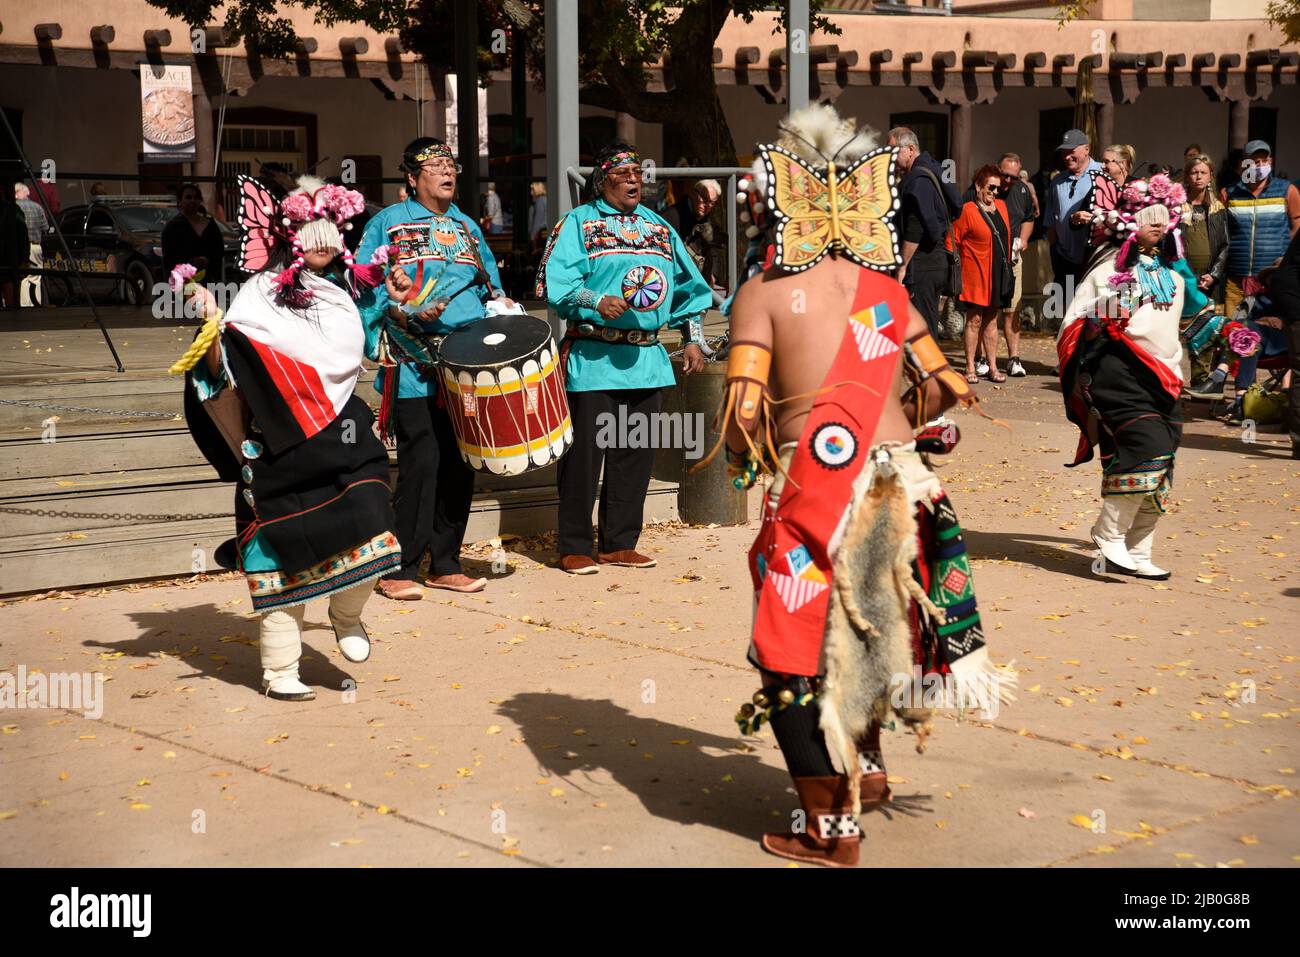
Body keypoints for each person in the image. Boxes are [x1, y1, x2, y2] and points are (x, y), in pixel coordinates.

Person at [711, 104, 998, 867]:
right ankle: (866, 768)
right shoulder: (887, 292)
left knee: (790, 649)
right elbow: (943, 388)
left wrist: (764, 452)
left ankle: (829, 830)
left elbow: (742, 418)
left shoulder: (763, 294)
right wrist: (887, 420)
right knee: (871, 626)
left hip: (822, 491)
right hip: (906, 483)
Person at [170, 175, 400, 701]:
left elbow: (362, 344)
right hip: (275, 444)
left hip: (343, 435)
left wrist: (389, 300)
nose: (321, 244)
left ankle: (346, 616)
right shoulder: (256, 295)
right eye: (309, 232)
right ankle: (280, 672)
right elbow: (226, 368)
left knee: (376, 524)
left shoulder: (344, 294)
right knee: (279, 557)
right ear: (287, 234)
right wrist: (209, 326)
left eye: (328, 233)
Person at [536, 140, 713, 575]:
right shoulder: (578, 223)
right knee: (584, 459)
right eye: (623, 173)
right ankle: (574, 544)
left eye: (638, 173)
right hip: (594, 357)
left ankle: (619, 542)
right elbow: (552, 284)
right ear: (602, 180)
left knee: (634, 454)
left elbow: (689, 288)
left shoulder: (657, 227)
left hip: (647, 358)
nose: (634, 179)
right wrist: (595, 299)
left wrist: (692, 338)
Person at [357, 137, 513, 600]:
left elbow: (491, 283)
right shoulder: (387, 223)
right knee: (421, 464)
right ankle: (399, 568)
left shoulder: (467, 226)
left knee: (460, 464)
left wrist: (499, 306)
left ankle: (446, 561)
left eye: (451, 164)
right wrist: (401, 312)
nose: (447, 171)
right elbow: (364, 285)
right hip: (412, 362)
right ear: (411, 177)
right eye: (435, 165)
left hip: (465, 365)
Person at [1057, 174, 1208, 581]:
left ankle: (1138, 548)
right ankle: (1108, 534)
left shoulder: (1172, 273)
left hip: (1164, 376)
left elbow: (1194, 317)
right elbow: (1075, 326)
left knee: (1165, 463)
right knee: (1148, 445)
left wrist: (1235, 335)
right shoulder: (1108, 269)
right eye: (1150, 216)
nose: (1159, 224)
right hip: (1115, 373)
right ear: (1129, 219)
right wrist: (1105, 316)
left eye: (1165, 217)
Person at [888, 126, 962, 338]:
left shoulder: (918, 180)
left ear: (910, 149)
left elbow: (916, 226)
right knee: (925, 325)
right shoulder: (935, 169)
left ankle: (931, 371)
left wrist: (902, 266)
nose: (890, 158)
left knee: (923, 331)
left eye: (893, 151)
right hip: (936, 262)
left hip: (922, 265)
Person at [968, 153, 1036, 378]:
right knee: (979, 316)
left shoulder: (1021, 192)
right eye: (1004, 176)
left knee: (1010, 309)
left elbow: (1029, 217)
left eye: (1013, 178)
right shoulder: (974, 195)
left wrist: (1023, 240)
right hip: (981, 263)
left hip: (1010, 260)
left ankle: (1012, 359)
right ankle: (978, 361)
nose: (1007, 182)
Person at [1220, 139, 1300, 317]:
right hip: (1236, 281)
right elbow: (1221, 234)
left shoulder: (1287, 190)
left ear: (1271, 161)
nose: (1261, 165)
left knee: (1271, 339)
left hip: (1272, 281)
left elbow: (1297, 228)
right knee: (1233, 335)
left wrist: (1285, 260)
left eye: (1265, 160)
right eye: (1255, 161)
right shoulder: (1228, 193)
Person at [953, 166, 1014, 382]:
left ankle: (993, 367)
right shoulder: (967, 209)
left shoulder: (1002, 207)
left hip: (997, 272)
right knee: (975, 320)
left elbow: (1006, 238)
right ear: (979, 186)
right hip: (974, 275)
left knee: (991, 321)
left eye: (998, 188)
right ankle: (970, 367)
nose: (995, 192)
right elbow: (953, 243)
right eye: (991, 187)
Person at [1043, 128, 1103, 301]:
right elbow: (1051, 222)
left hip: (1094, 259)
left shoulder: (1102, 173)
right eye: (1064, 152)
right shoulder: (1056, 181)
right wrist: (1054, 253)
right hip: (1064, 261)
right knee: (1065, 314)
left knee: (1093, 314)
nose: (1067, 157)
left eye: (1072, 151)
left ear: (1087, 149)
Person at [1179, 154, 1230, 311]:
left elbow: (1225, 244)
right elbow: (1173, 246)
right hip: (1184, 277)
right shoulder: (1177, 207)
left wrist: (1213, 275)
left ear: (1210, 176)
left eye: (1203, 172)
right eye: (1194, 172)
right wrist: (1190, 276)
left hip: (1210, 281)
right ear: (1187, 177)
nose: (1199, 176)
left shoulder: (1217, 208)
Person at [161, 183, 225, 285]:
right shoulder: (172, 227)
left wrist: (206, 261)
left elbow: (218, 250)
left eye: (196, 197)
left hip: (208, 281)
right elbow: (169, 258)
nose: (192, 200)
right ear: (180, 202)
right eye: (188, 197)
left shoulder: (210, 225)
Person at [663, 179, 723, 287]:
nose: (706, 205)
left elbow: (713, 250)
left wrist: (713, 274)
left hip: (700, 283)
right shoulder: (671, 217)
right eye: (704, 199)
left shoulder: (710, 220)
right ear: (694, 194)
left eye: (711, 202)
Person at [14, 182, 48, 307]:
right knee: (36, 277)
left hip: (18, 247)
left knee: (22, 278)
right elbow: (45, 227)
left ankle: (24, 305)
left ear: (17, 193)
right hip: (35, 246)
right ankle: (36, 304)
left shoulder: (13, 207)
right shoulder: (38, 207)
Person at [527, 181, 548, 251]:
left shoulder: (540, 201)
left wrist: (532, 237)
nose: (531, 192)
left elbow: (538, 220)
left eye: (532, 190)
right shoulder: (544, 200)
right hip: (542, 234)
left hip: (539, 236)